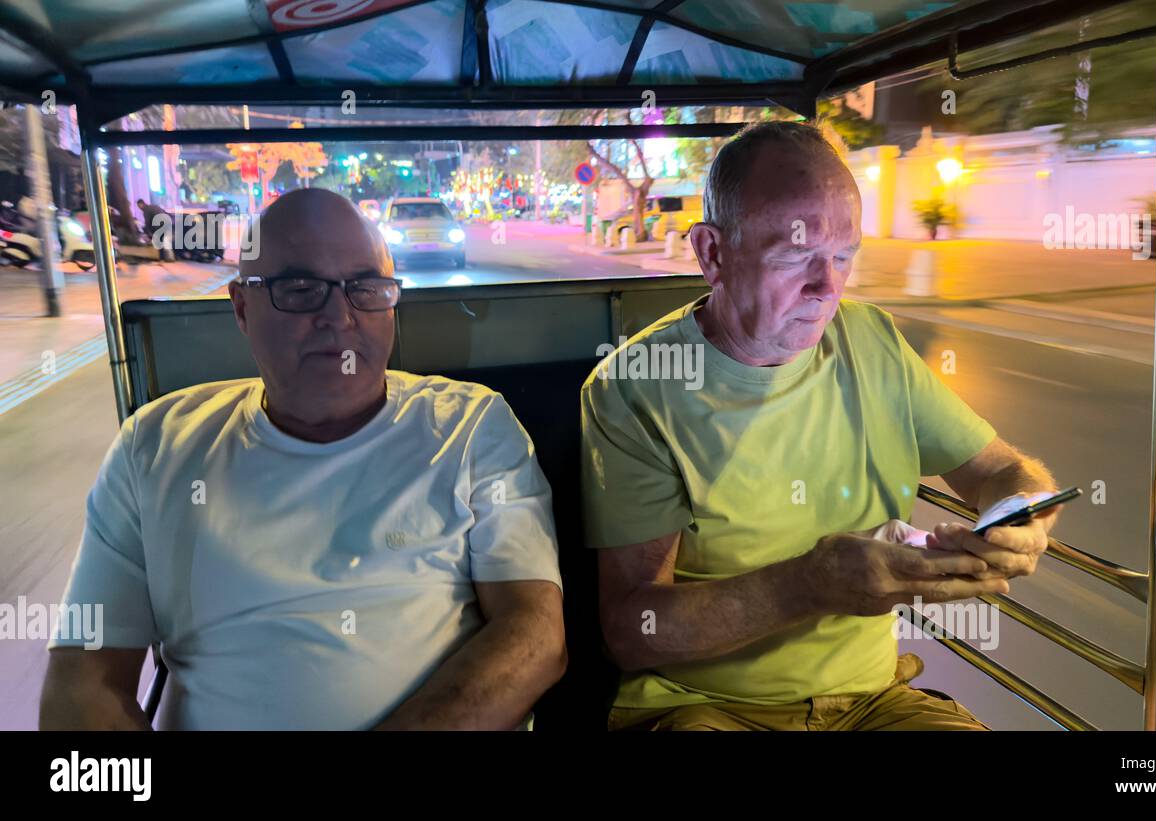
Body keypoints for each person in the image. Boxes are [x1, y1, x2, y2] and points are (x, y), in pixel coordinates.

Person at [580, 121, 1063, 731]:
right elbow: (631, 631)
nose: (827, 287)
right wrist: (807, 587)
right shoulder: (634, 389)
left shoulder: (872, 340)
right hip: (704, 707)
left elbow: (1000, 470)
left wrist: (1023, 513)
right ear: (712, 253)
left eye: (843, 257)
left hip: (874, 702)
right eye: (794, 256)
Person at [41, 188, 566, 730]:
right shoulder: (155, 446)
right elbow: (82, 680)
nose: (339, 317)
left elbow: (536, 636)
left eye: (366, 288)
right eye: (300, 289)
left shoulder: (470, 427)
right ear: (241, 307)